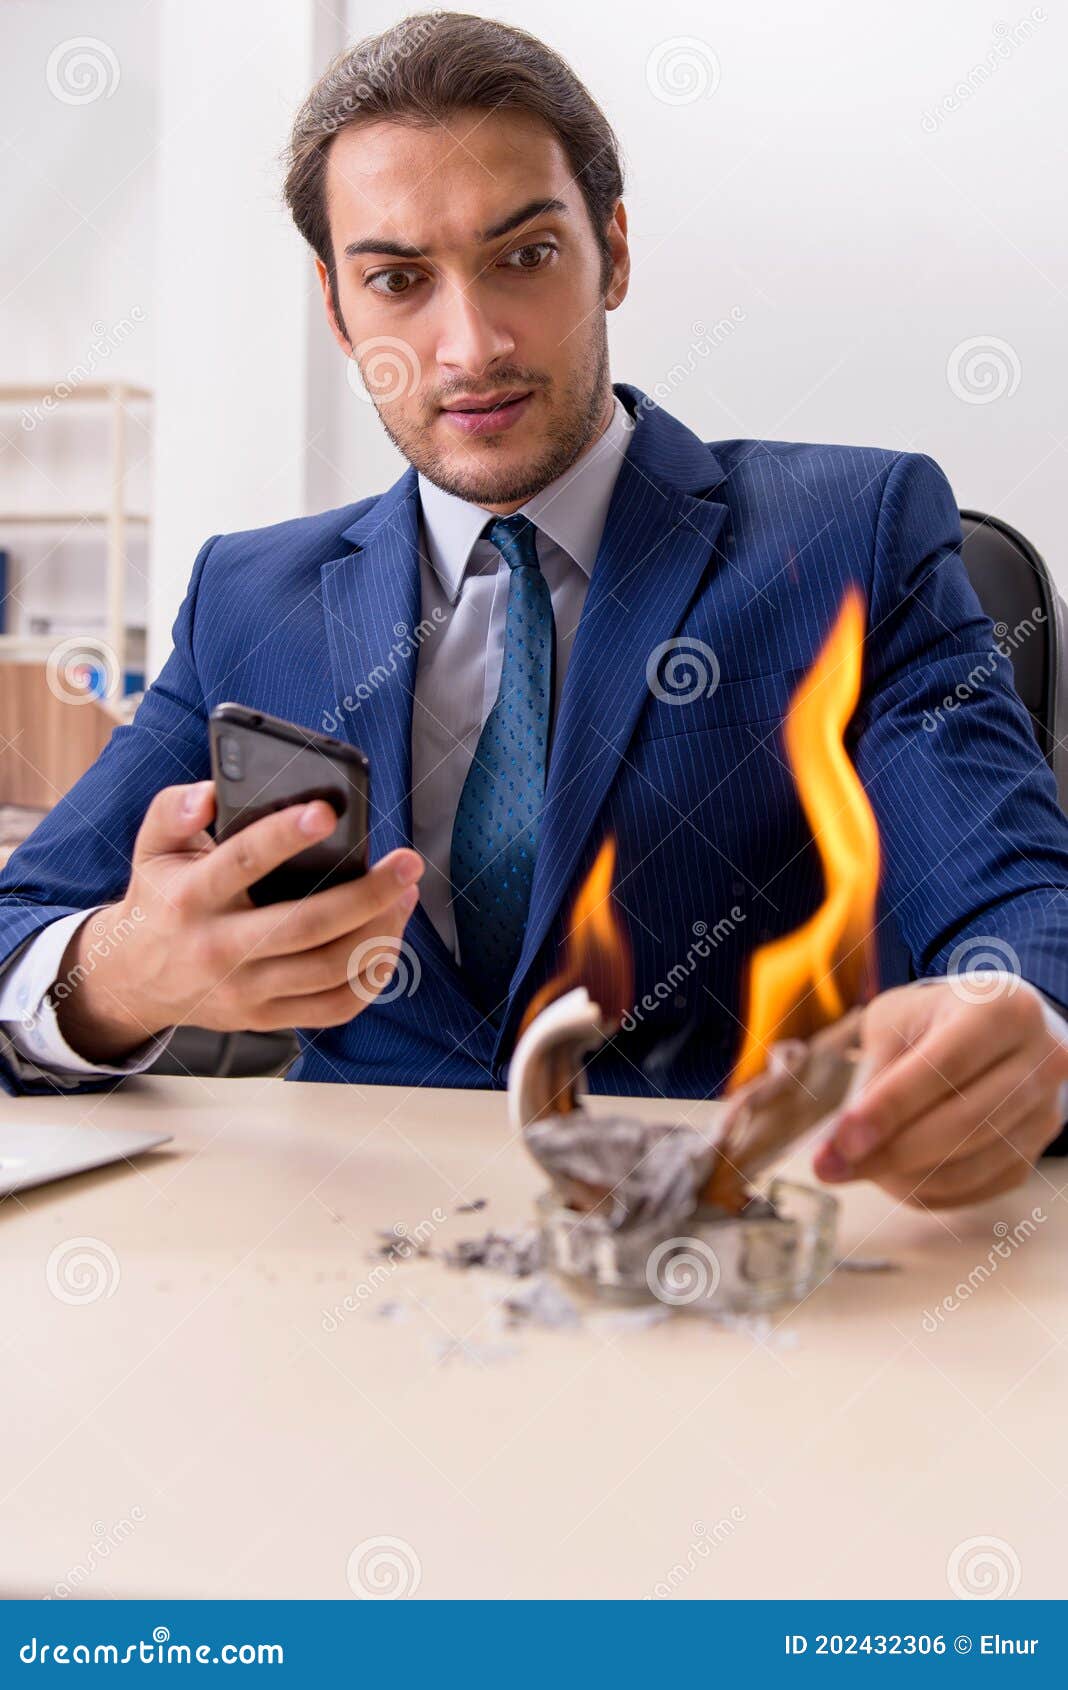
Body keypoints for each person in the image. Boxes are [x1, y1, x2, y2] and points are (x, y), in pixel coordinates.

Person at [2, 11, 1067, 1213]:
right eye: (399, 280)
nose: (473, 345)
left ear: (612, 250)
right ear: (338, 305)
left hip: (731, 1246)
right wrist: (120, 975)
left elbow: (1016, 904)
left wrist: (1022, 1020)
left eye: (524, 256)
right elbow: (18, 924)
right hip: (336, 1263)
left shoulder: (853, 531)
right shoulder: (247, 595)